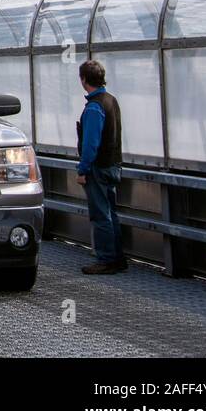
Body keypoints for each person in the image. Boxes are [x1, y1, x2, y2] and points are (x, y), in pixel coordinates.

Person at [76, 60, 127, 275]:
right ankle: (118, 258)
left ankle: (106, 260)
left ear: (84, 79)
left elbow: (90, 144)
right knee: (111, 213)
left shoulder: (94, 106)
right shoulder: (111, 101)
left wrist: (83, 169)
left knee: (100, 215)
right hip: (114, 164)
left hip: (98, 167)